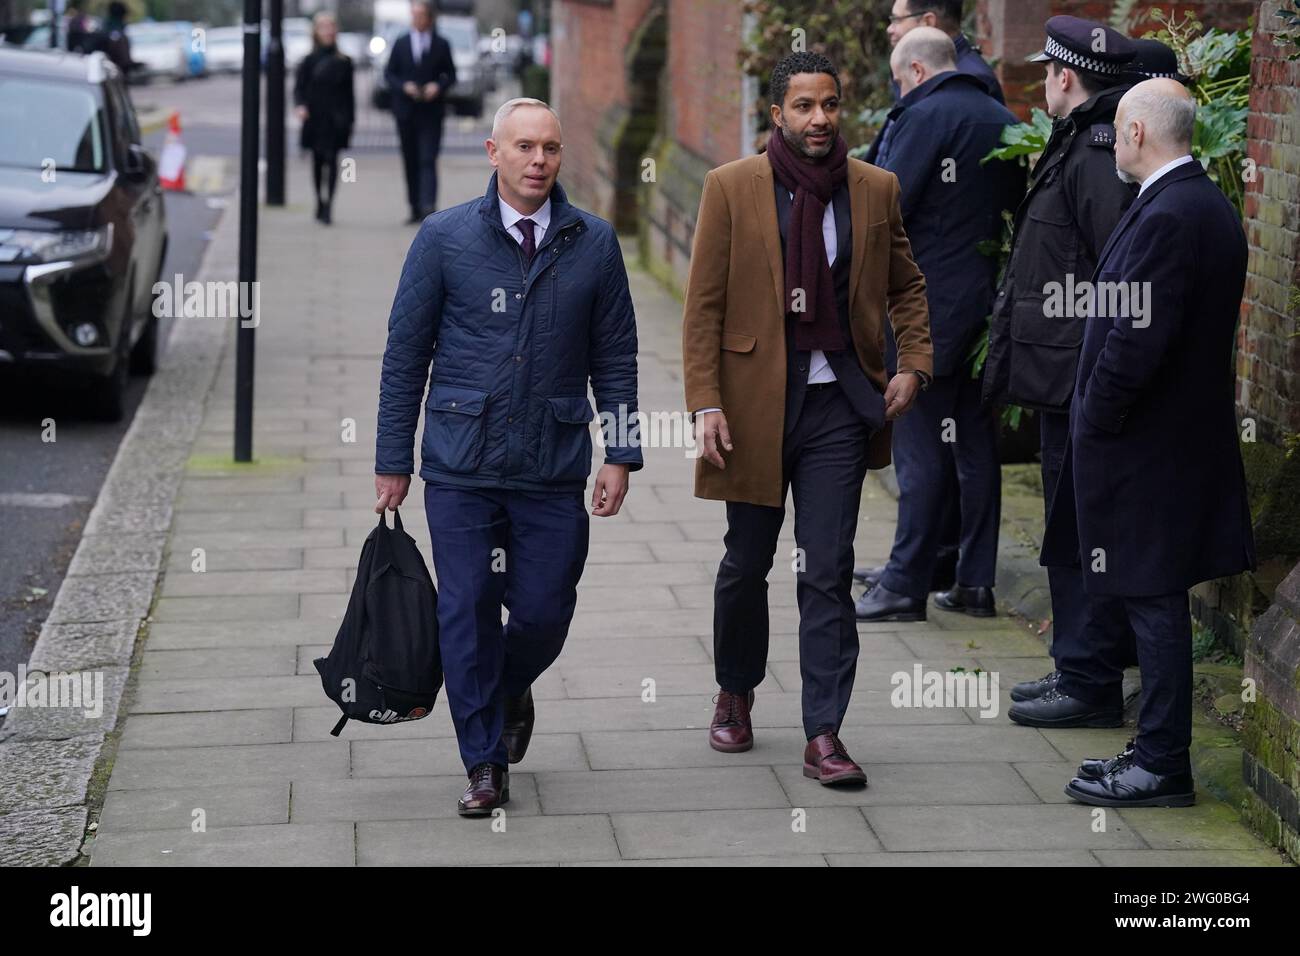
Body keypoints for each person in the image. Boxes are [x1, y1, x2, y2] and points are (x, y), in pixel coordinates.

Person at [374, 98, 642, 816]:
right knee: (464, 611)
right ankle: (484, 762)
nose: (537, 161)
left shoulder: (594, 242)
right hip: (461, 464)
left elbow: (615, 357)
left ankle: (500, 684)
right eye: (523, 147)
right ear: (492, 152)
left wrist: (621, 452)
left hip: (552, 464)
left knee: (545, 612)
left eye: (550, 148)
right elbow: (406, 355)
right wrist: (391, 458)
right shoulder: (444, 238)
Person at [682, 52, 932, 785]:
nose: (818, 119)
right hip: (754, 406)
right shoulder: (732, 187)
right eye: (803, 106)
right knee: (746, 564)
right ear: (777, 114)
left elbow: (907, 286)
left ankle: (824, 732)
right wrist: (705, 400)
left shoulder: (874, 188)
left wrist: (913, 362)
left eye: (828, 104)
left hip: (838, 405)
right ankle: (736, 689)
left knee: (826, 572)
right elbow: (702, 306)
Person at [1045, 79, 1255, 807]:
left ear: (1135, 133)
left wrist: (1093, 418)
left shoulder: (1173, 212)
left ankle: (1164, 765)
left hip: (1148, 447)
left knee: (1153, 601)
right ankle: (1154, 751)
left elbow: (1138, 339)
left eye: (1119, 132)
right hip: (1162, 443)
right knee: (1151, 598)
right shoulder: (1191, 202)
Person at [981, 16, 1142, 728]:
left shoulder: (1095, 152)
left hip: (1080, 383)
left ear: (1065, 77)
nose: (1043, 80)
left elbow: (1121, 276)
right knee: (1068, 530)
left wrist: (1096, 382)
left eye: (1048, 71)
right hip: (1060, 381)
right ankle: (1076, 669)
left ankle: (1090, 681)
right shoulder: (1079, 142)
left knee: (1084, 535)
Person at [855, 28, 1023, 624]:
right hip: (983, 309)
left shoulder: (926, 118)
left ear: (918, 72)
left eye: (901, 82)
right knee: (974, 447)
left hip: (923, 310)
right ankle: (973, 580)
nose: (900, 91)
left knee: (920, 448)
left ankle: (906, 584)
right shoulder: (999, 116)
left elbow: (882, 209)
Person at [384, 0, 456, 224]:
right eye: (414, 15)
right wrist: (404, 86)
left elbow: (451, 75)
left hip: (431, 113)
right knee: (410, 160)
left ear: (429, 18)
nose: (417, 20)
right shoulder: (401, 43)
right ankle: (414, 206)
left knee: (428, 158)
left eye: (421, 15)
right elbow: (389, 74)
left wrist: (438, 86)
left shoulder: (442, 44)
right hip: (406, 112)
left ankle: (429, 207)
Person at [294, 12, 355, 225]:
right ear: (316, 32)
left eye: (331, 27)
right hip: (315, 117)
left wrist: (349, 122)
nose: (328, 31)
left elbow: (349, 95)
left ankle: (329, 205)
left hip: (336, 119)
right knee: (317, 162)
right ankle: (319, 200)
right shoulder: (308, 61)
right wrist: (300, 107)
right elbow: (299, 89)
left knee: (332, 160)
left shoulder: (345, 62)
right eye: (323, 27)